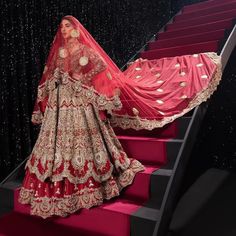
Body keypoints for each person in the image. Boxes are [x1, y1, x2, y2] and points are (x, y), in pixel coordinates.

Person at [19, 15, 222, 218]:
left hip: (79, 103)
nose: (63, 29)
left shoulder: (84, 50)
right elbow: (49, 74)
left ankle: (90, 186)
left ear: (75, 29)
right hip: (60, 106)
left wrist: (83, 81)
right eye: (61, 26)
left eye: (67, 26)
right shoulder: (58, 53)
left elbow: (99, 68)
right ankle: (58, 188)